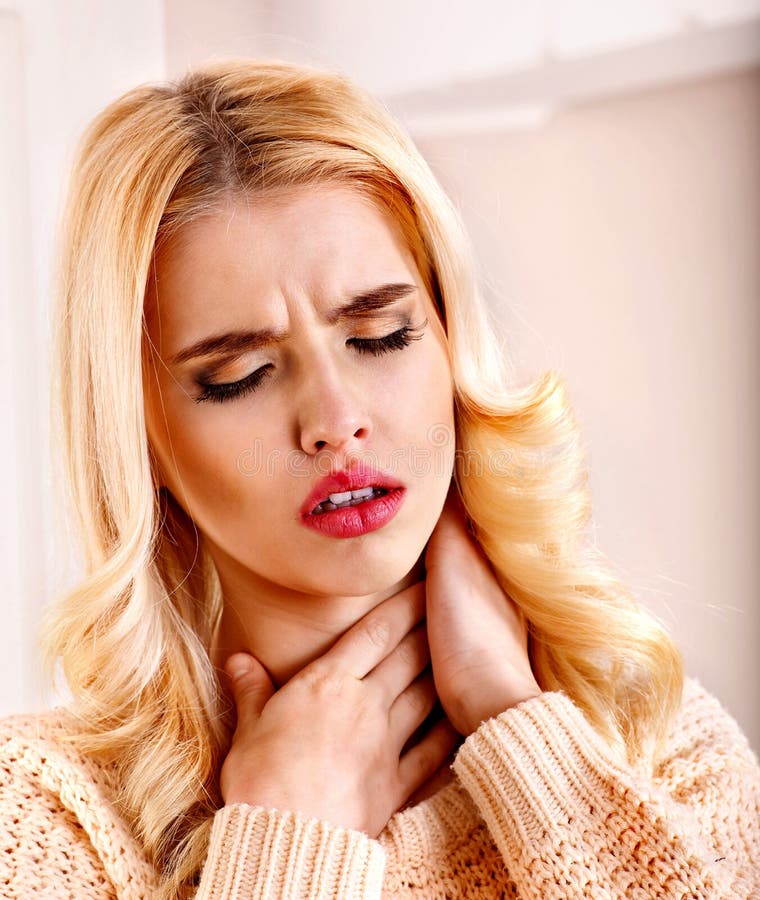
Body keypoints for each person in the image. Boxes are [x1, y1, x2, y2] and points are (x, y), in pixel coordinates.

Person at [1, 57, 758, 900]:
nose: (335, 418)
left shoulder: (652, 734)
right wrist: (289, 846)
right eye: (240, 374)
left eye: (381, 335)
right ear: (140, 438)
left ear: (449, 342)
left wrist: (525, 734)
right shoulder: (43, 813)